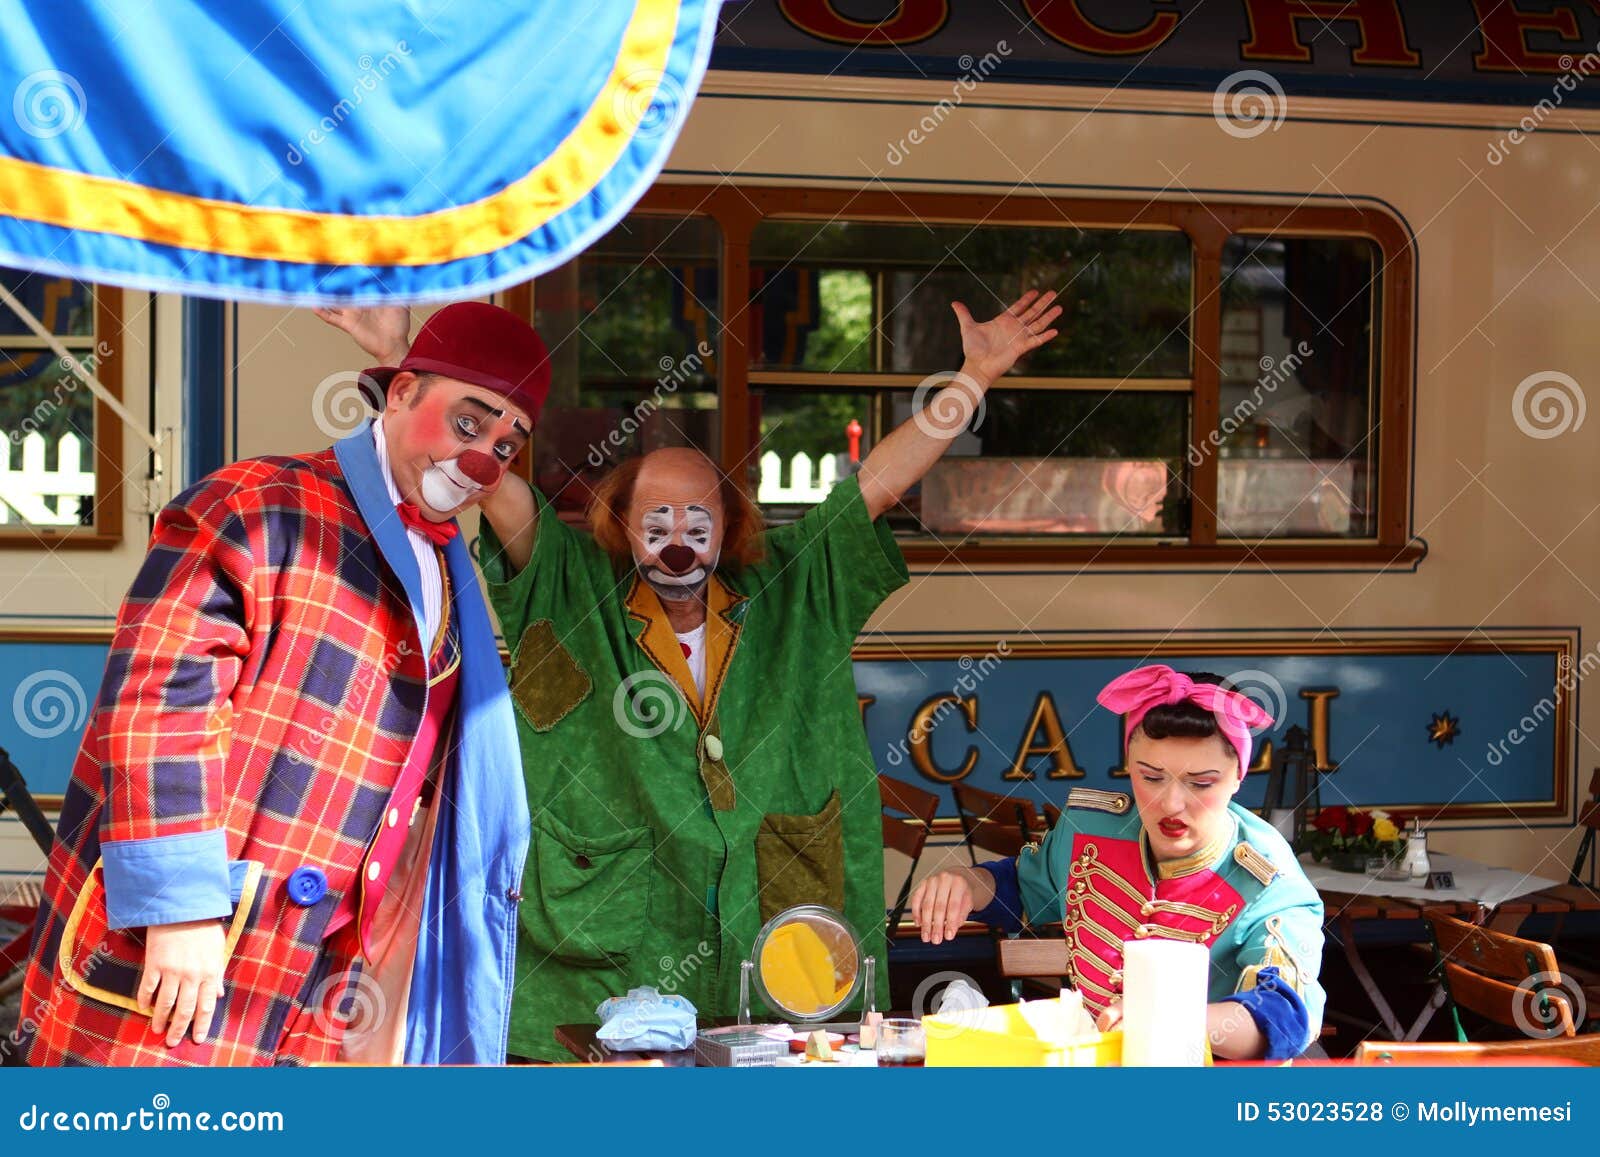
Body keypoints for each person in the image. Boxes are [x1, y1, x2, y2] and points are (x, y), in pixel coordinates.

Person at [323, 287, 1062, 1060]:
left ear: (731, 527)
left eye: (698, 523)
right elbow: (481, 472)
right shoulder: (572, 585)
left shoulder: (796, 589)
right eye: (656, 523)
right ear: (620, 525)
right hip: (606, 975)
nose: (678, 544)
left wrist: (972, 378)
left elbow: (878, 481)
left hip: (784, 971)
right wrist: (399, 365)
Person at [20, 302, 547, 1066]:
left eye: (506, 444)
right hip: (193, 944)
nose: (483, 461)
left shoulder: (446, 565)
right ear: (397, 396)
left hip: (319, 972)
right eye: (468, 425)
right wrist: (180, 909)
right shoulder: (259, 504)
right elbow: (161, 697)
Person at [910, 666, 1326, 1061]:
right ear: (1129, 767)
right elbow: (1024, 887)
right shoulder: (1090, 832)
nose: (1171, 804)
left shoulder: (1268, 881)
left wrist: (1168, 1020)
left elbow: (1285, 1016)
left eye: (1201, 783)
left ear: (1239, 775)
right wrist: (968, 881)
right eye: (1151, 776)